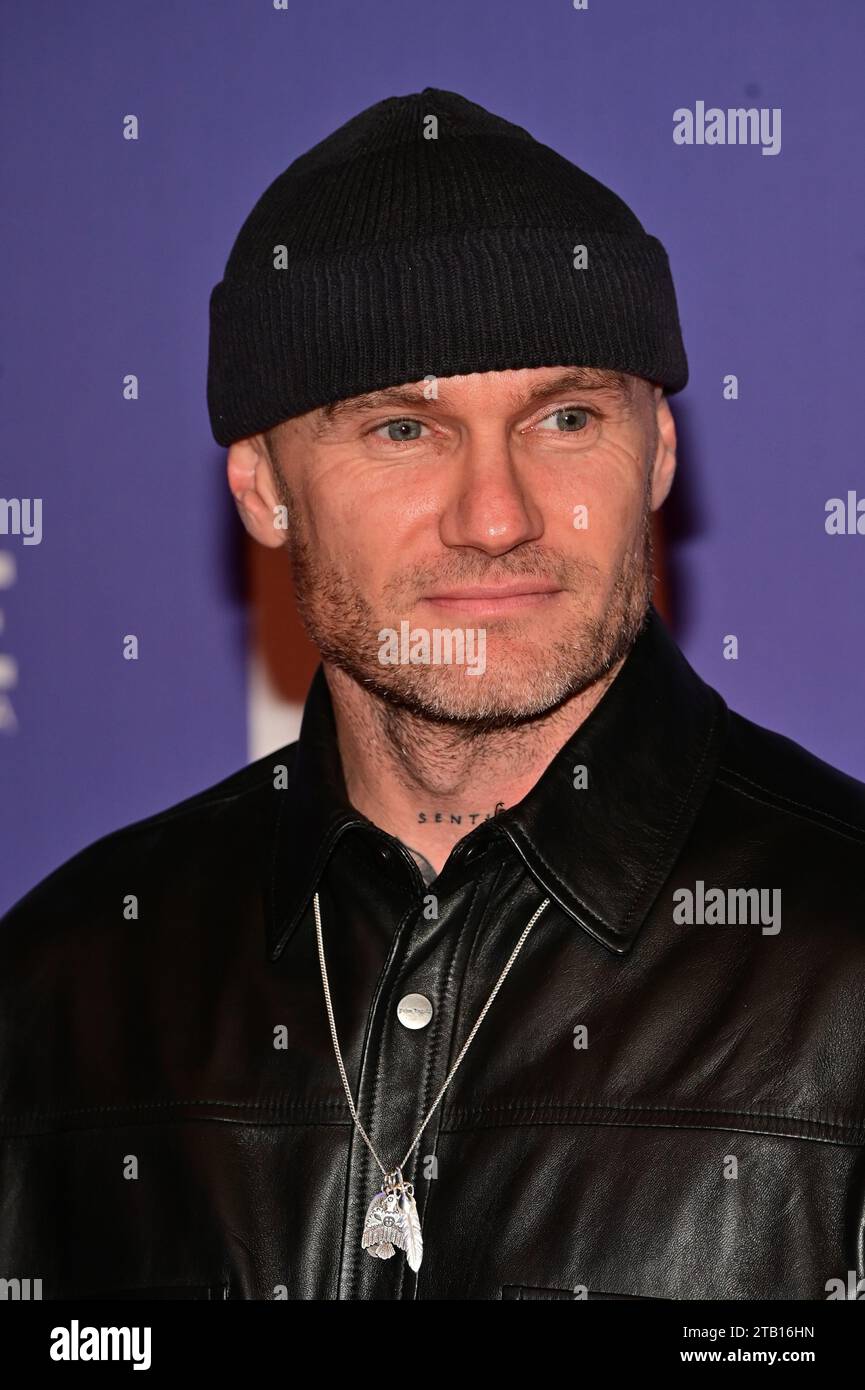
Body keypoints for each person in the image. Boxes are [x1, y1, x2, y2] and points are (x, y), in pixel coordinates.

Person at [1, 88, 863, 1302]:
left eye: (564, 417)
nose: (496, 517)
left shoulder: (841, 956)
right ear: (261, 489)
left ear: (660, 453)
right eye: (403, 430)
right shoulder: (69, 984)